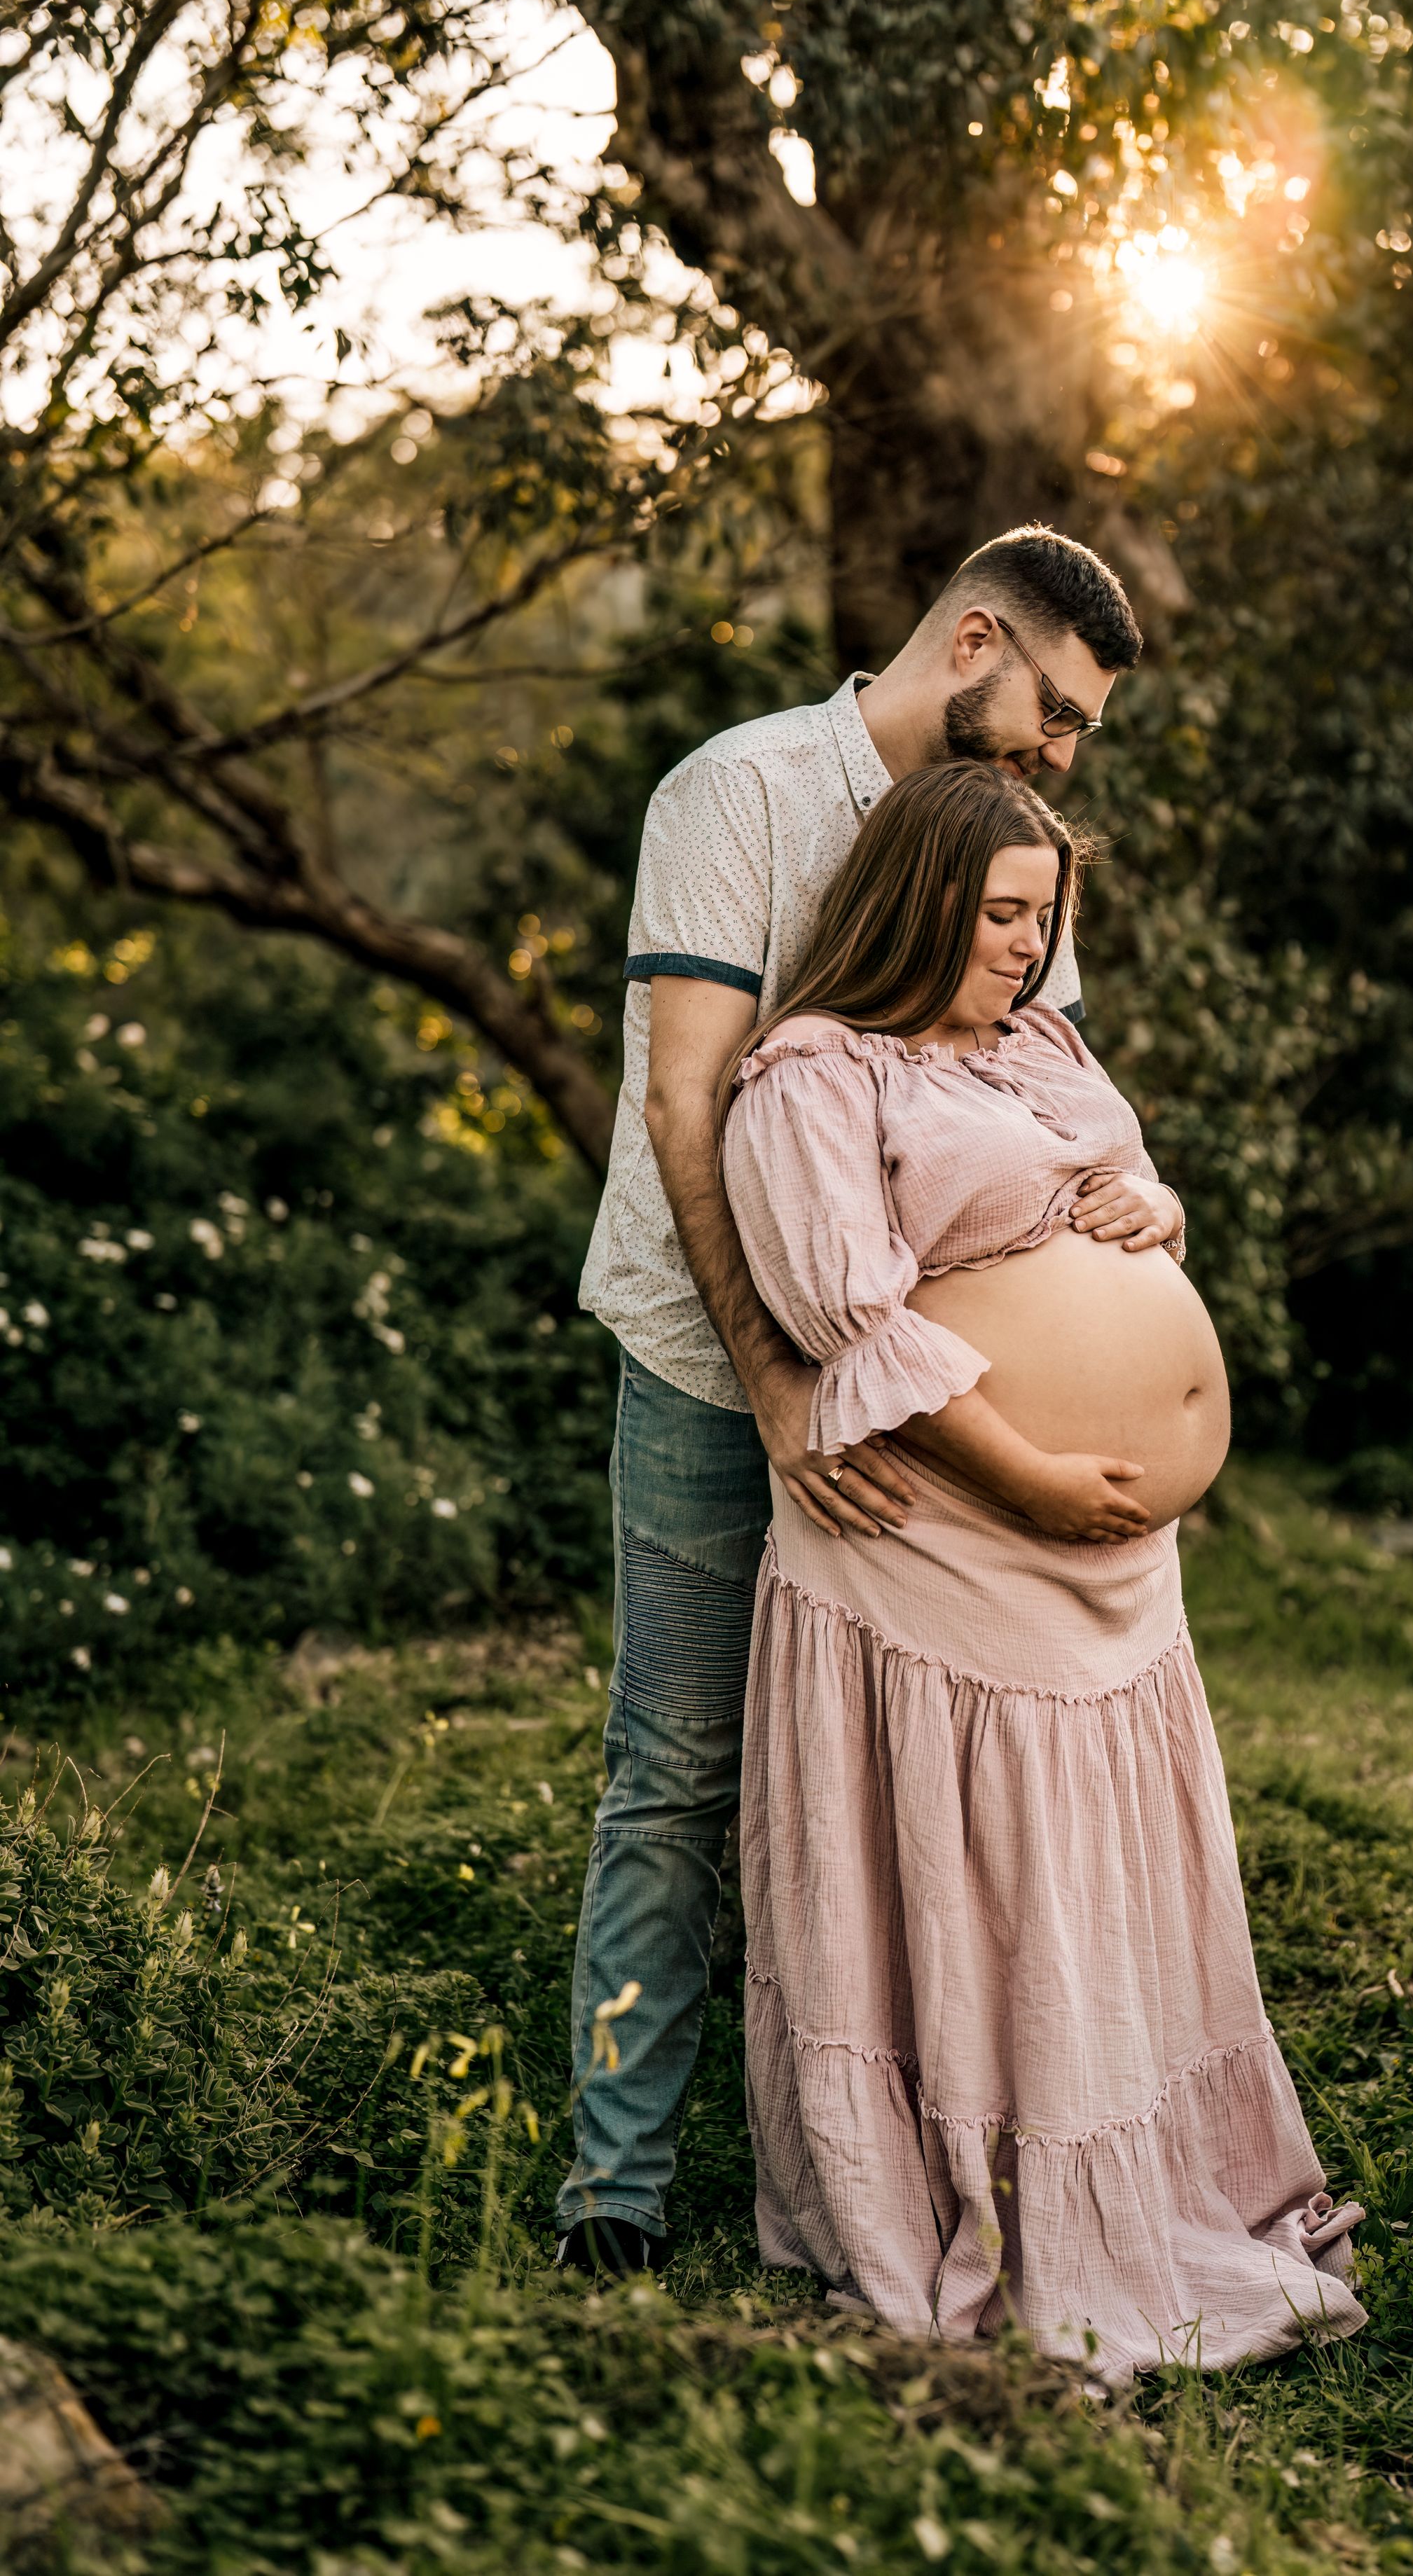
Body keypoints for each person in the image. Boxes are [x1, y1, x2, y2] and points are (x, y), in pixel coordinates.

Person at [719, 763, 1366, 2377]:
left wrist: (1148, 1205)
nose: (1026, 946)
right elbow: (845, 1318)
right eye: (1001, 913)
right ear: (918, 898)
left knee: (1100, 1868)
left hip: (1106, 1570)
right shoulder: (813, 1079)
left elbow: (1127, 1192)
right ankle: (997, 2195)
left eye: (1042, 915)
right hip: (950, 1541)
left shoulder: (1037, 1049)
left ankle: (1153, 2180)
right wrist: (1029, 1477)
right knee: (996, 1866)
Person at [558, 527, 1154, 2272]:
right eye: (1049, 707)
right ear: (972, 638)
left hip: (939, 1403)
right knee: (674, 1774)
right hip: (713, 1364)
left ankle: (883, 2170)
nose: (1054, 751)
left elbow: (1044, 1103)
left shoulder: (1024, 850)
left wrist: (1131, 1220)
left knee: (907, 1794)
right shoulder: (737, 794)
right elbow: (685, 1110)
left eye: (1075, 733)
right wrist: (775, 1394)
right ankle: (615, 2186)